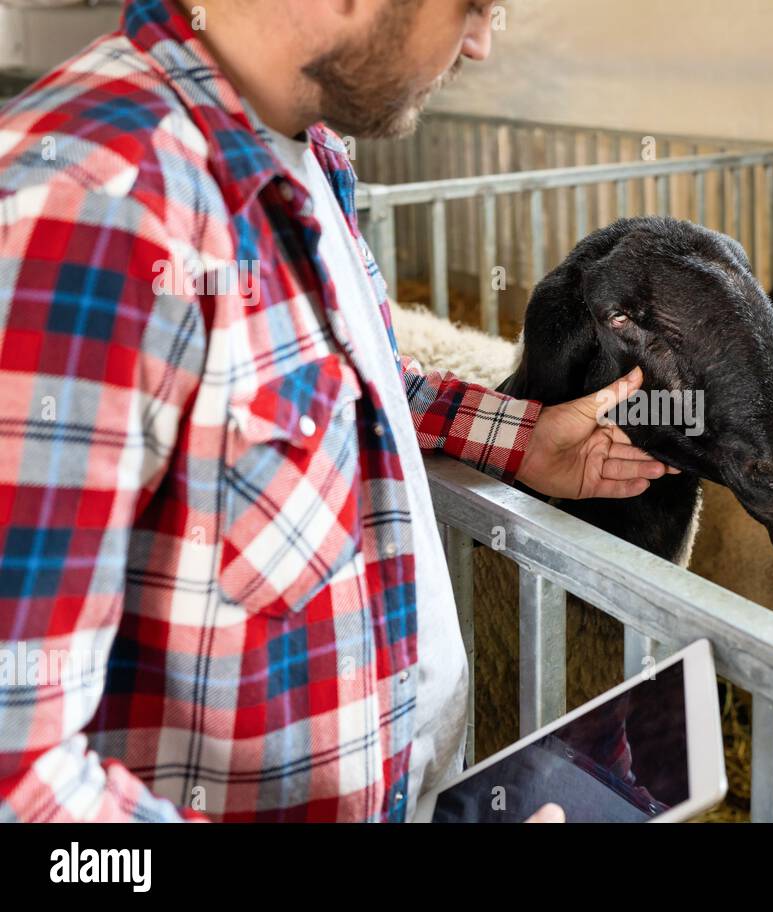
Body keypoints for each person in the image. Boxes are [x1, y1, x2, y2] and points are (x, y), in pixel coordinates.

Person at [0, 0, 674, 822]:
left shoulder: (310, 155)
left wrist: (520, 439)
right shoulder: (88, 204)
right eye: (473, 6)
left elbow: (352, 383)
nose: (480, 45)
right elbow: (21, 778)